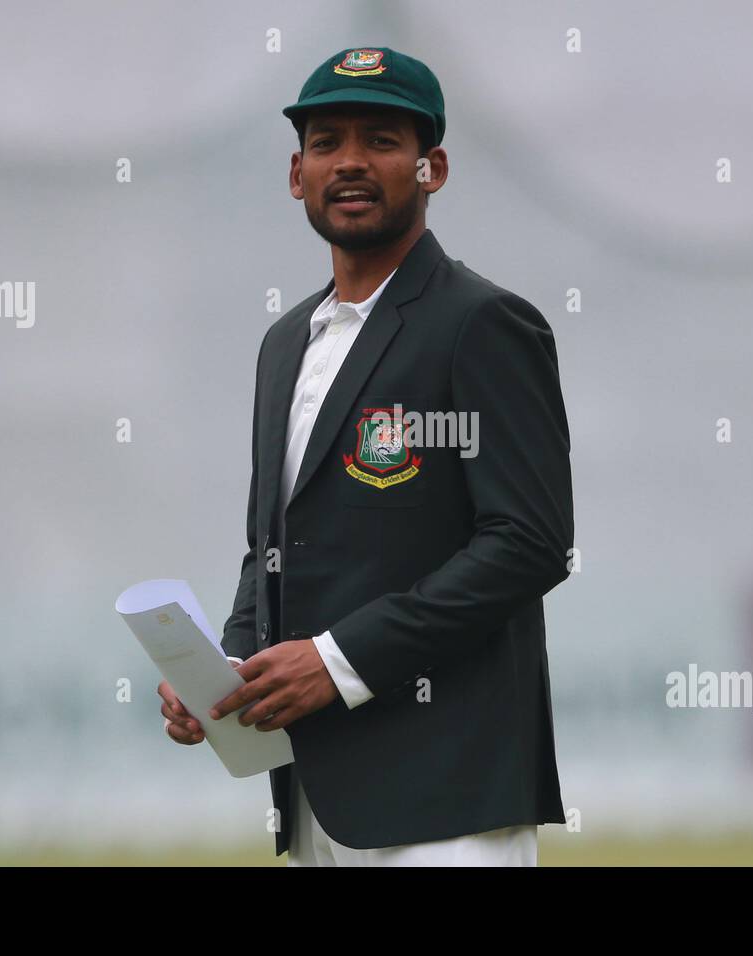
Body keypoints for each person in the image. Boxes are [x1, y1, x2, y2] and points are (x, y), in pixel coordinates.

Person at [158, 46, 574, 866]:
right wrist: (227, 672)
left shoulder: (482, 323)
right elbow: (271, 549)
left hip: (447, 803)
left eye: (381, 139)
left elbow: (529, 544)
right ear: (295, 172)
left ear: (434, 167)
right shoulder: (286, 343)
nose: (349, 161)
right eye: (326, 141)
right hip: (317, 800)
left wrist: (336, 663)